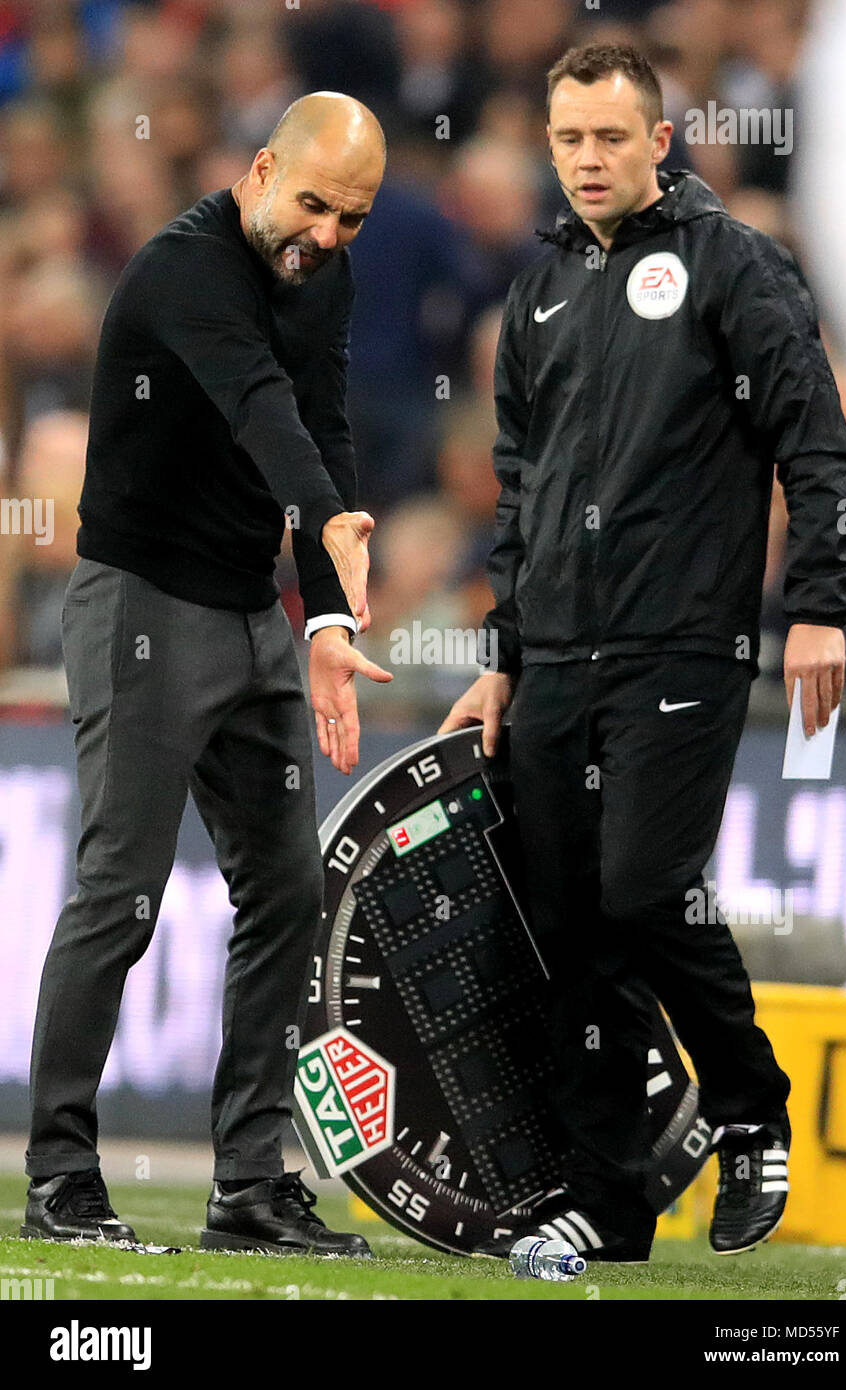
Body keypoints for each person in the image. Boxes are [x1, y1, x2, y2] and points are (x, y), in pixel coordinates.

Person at [439, 43, 846, 1262]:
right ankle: (610, 1202)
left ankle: (747, 1109)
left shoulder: (733, 265)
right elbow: (519, 493)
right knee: (573, 928)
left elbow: (822, 450)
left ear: (659, 140)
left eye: (609, 138)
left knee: (643, 889)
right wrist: (502, 650)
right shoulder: (539, 292)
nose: (585, 160)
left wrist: (819, 608)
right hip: (559, 657)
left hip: (681, 641)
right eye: (568, 139)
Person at [22, 92, 393, 1257]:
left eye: (354, 217)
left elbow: (323, 429)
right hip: (140, 606)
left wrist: (327, 624)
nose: (328, 234)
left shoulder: (320, 274)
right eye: (316, 203)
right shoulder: (182, 269)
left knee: (285, 890)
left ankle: (250, 1182)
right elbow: (264, 415)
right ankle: (63, 1176)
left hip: (250, 613)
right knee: (119, 892)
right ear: (263, 167)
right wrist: (332, 525)